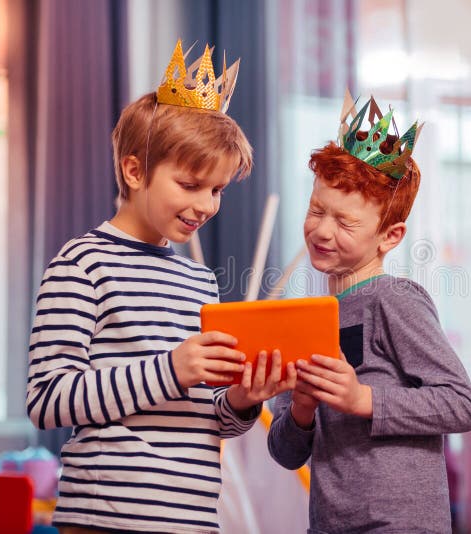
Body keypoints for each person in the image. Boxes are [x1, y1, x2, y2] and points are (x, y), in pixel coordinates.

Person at [26, 40, 294, 533]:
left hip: (191, 520)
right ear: (135, 170)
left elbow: (209, 417)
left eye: (217, 190)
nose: (208, 205)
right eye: (191, 185)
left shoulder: (199, 280)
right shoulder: (82, 263)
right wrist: (170, 368)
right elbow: (48, 399)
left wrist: (241, 400)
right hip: (105, 520)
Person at [267, 92, 471, 533]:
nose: (322, 230)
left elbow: (462, 405)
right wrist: (302, 411)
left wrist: (362, 399)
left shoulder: (395, 300)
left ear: (390, 236)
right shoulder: (303, 319)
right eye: (316, 211)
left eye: (345, 223)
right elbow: (286, 453)